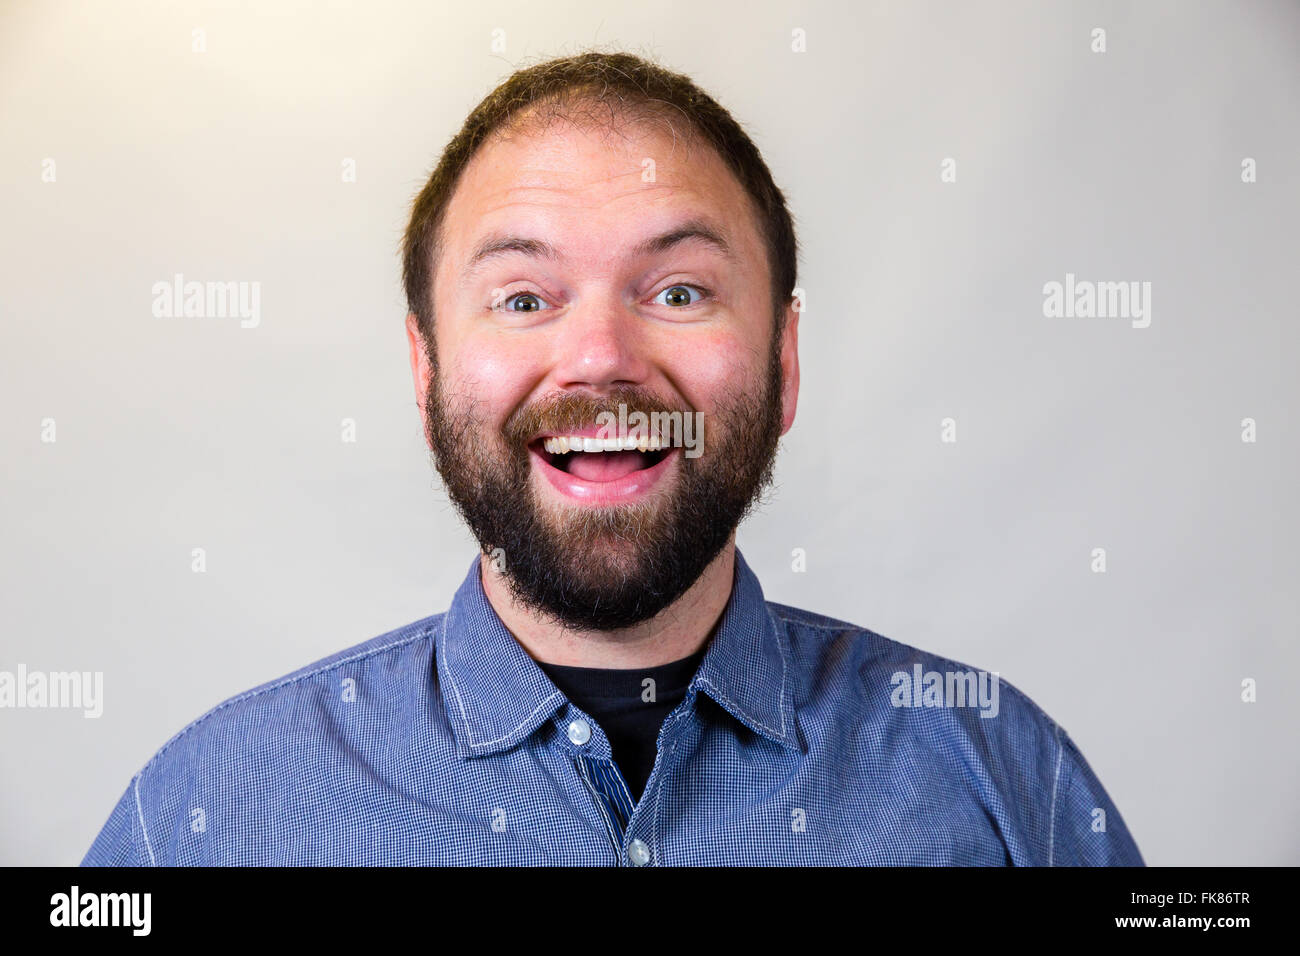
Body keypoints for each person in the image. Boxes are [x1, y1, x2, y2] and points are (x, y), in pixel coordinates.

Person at [83, 51, 1142, 866]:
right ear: (425, 367)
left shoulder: (998, 773)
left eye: (677, 292)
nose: (599, 359)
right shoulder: (205, 812)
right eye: (524, 299)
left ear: (782, 354)